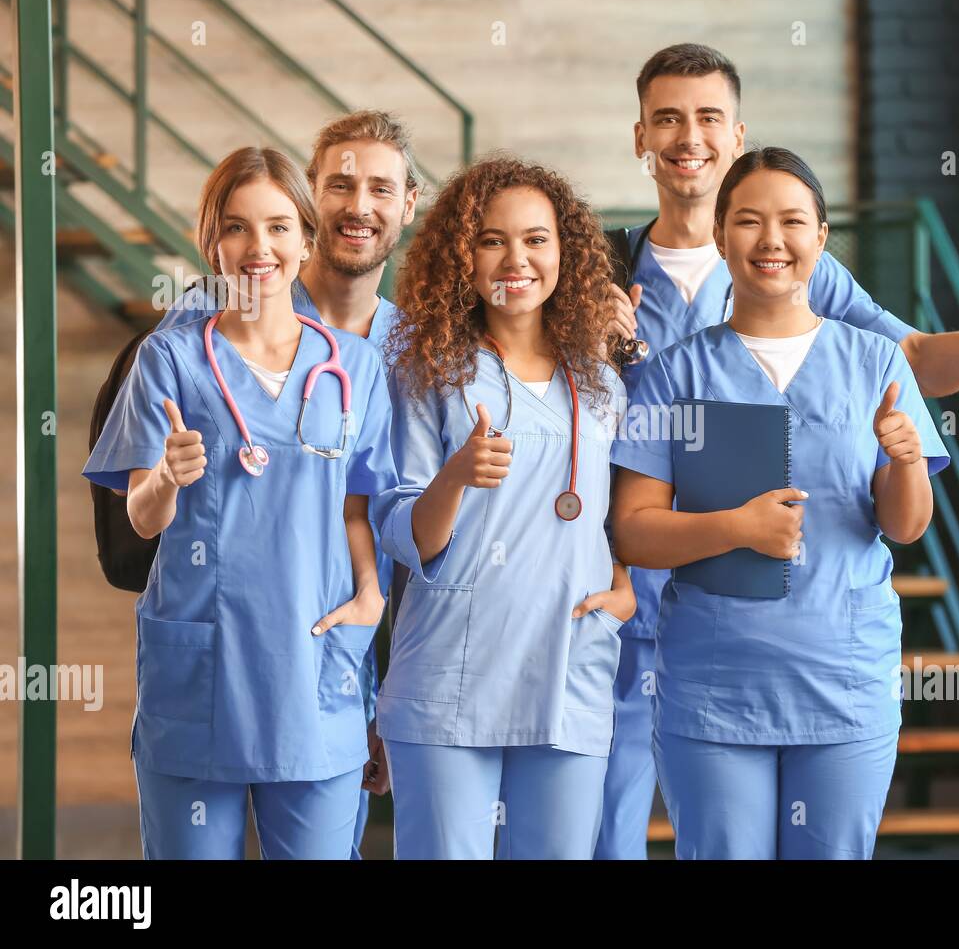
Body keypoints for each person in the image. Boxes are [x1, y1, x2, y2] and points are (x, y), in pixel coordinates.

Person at [597, 43, 959, 859]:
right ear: (642, 136)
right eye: (669, 119)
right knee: (612, 834)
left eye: (709, 118)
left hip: (819, 640)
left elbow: (918, 363)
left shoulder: (822, 296)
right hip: (641, 616)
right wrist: (590, 340)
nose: (691, 137)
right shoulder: (598, 272)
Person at [611, 147, 950, 859]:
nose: (772, 241)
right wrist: (735, 528)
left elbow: (905, 524)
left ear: (822, 240)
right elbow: (633, 533)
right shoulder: (674, 372)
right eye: (749, 221)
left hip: (843, 683)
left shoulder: (877, 362)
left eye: (793, 222)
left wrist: (907, 460)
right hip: (714, 691)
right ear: (722, 235)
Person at [83, 147, 398, 858]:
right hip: (202, 679)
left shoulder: (355, 369)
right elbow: (141, 517)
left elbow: (360, 501)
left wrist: (372, 594)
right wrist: (165, 475)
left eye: (280, 227)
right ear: (210, 240)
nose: (259, 249)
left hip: (314, 668)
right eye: (237, 227)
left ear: (307, 238)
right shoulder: (168, 359)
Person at [156, 111, 421, 857]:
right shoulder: (195, 332)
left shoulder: (412, 352)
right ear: (312, 205)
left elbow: (380, 515)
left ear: (409, 203)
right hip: (219, 647)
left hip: (339, 664)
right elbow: (139, 513)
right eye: (339, 184)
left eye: (380, 187)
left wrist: (382, 683)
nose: (358, 206)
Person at [375, 157, 633, 859]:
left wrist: (627, 589)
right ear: (463, 256)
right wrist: (455, 476)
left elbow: (620, 512)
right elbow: (404, 534)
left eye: (535, 240)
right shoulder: (426, 370)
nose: (515, 259)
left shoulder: (602, 382)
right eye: (491, 240)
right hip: (453, 672)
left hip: (568, 666)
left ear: (566, 252)